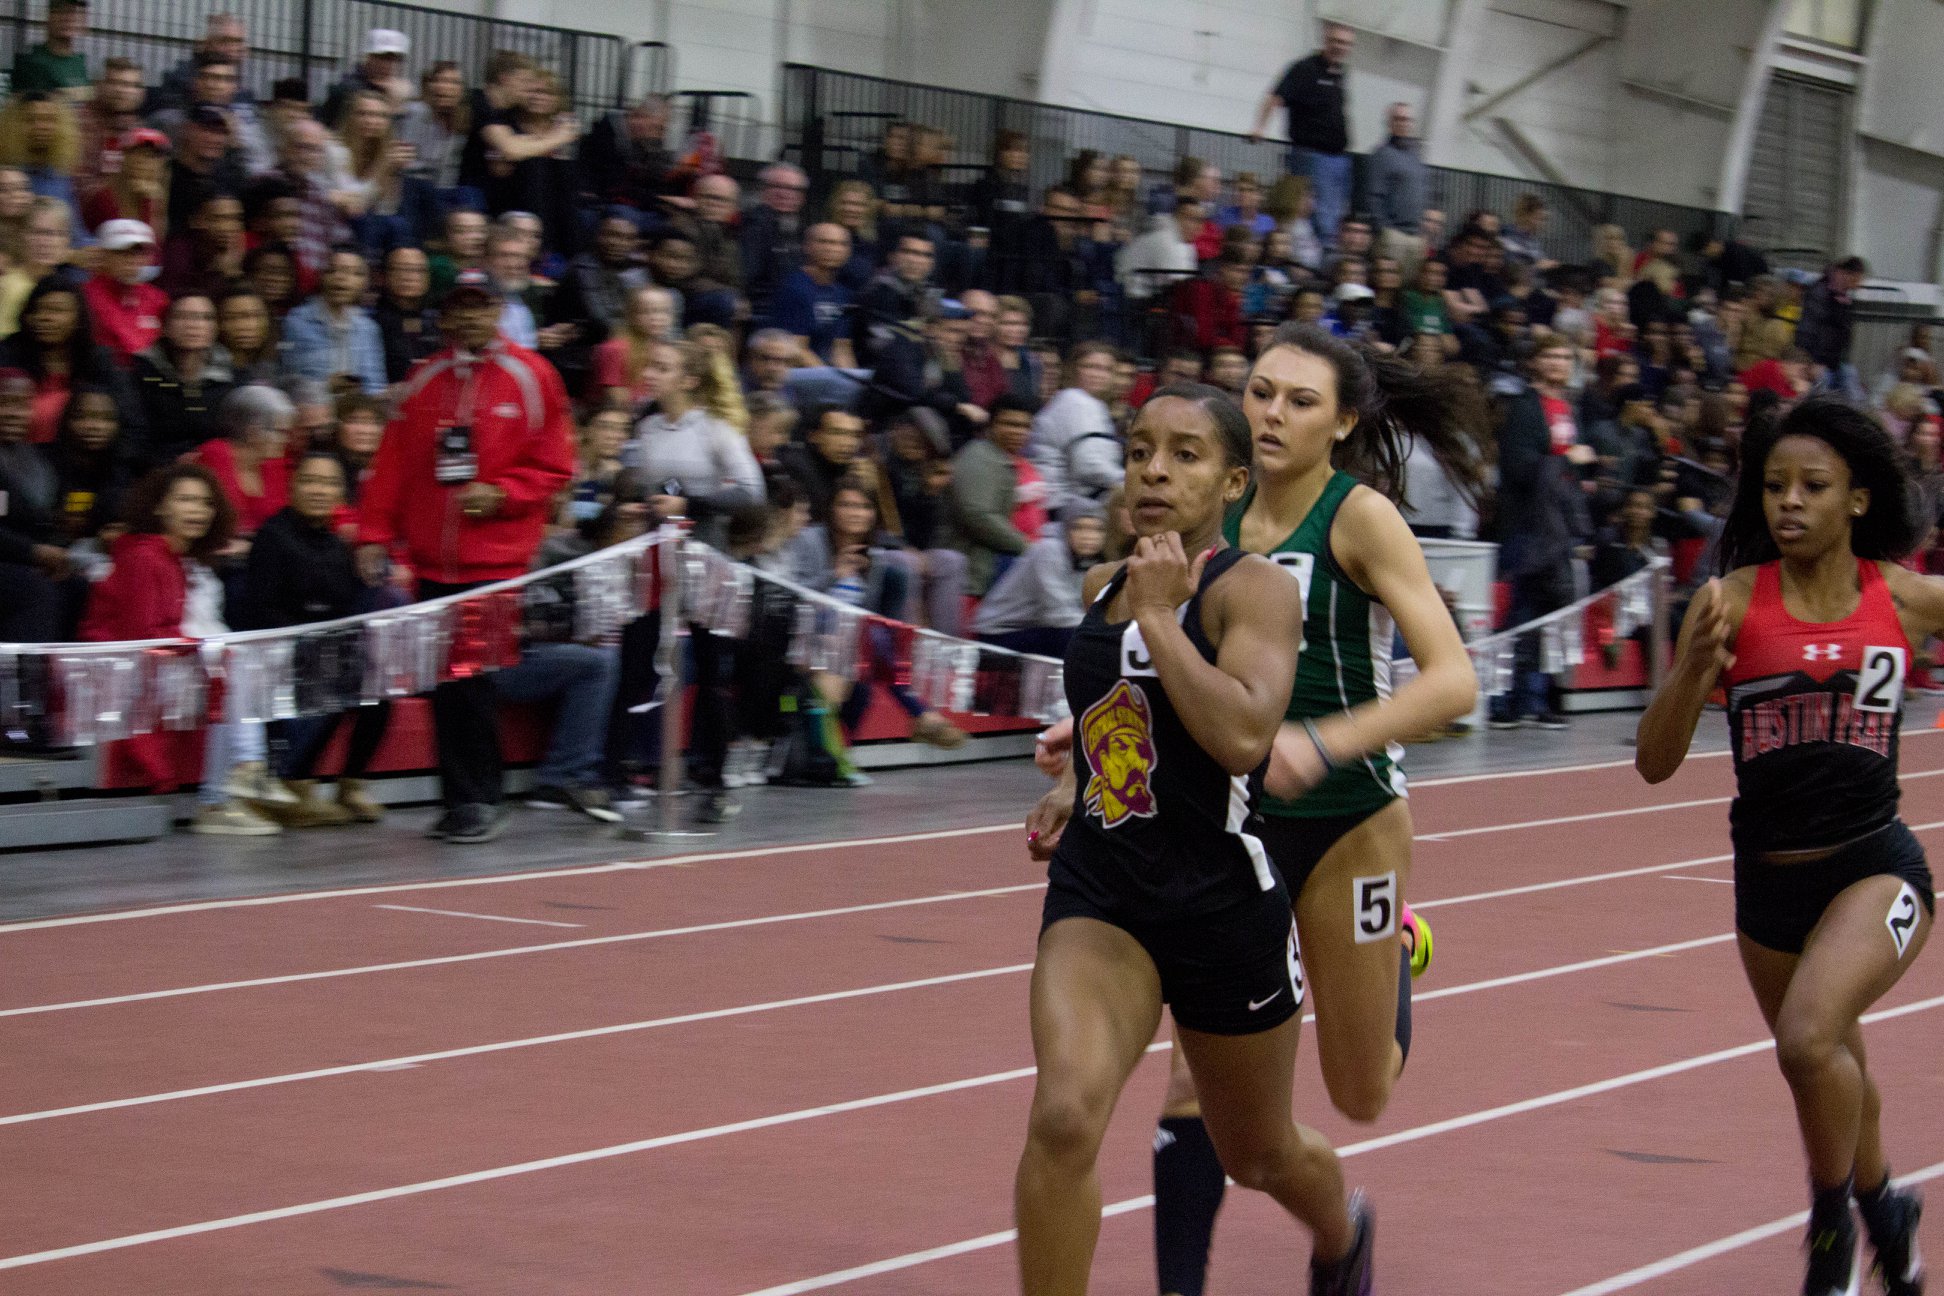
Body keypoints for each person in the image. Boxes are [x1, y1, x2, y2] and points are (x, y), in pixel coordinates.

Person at [1015, 382, 1371, 1296]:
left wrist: (1164, 616)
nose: (1155, 471)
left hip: (1222, 908)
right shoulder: (1104, 585)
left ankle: (1342, 1234)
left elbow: (1245, 737)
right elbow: (1117, 709)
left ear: (1233, 481)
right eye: (1139, 451)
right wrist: (1075, 780)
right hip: (1106, 895)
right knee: (1062, 1117)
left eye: (1184, 454)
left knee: (1258, 1154)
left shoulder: (1254, 591)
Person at [1636, 398, 1936, 1296]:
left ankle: (1829, 1230)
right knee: (1830, 1059)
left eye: (1813, 486)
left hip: (1877, 867)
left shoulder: (1905, 596)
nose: (1789, 503)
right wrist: (1694, 669)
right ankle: (1889, 1208)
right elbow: (1654, 763)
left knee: (1807, 1042)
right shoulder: (1726, 603)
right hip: (1766, 885)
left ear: (1857, 498)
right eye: (1773, 487)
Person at [355, 268, 575, 844]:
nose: (470, 317)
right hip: (431, 566)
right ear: (445, 316)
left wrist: (503, 495)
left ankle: (481, 797)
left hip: (495, 566)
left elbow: (556, 466)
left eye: (481, 306)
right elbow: (392, 469)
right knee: (446, 685)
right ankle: (461, 799)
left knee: (474, 682)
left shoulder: (534, 377)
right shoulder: (420, 381)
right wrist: (373, 534)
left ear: (499, 310)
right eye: (460, 307)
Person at [81, 463, 295, 833]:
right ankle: (235, 781)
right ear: (160, 507)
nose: (197, 510)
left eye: (205, 503)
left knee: (236, 662)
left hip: (161, 665)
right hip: (119, 671)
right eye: (185, 500)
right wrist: (208, 651)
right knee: (229, 664)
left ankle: (231, 786)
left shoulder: (185, 560)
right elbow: (144, 635)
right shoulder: (144, 556)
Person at [236, 450, 392, 827]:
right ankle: (292, 784)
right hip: (277, 655)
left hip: (324, 650)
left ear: (341, 492)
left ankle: (351, 782)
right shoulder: (272, 538)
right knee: (335, 673)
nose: (319, 490)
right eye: (310, 480)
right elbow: (260, 610)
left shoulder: (340, 547)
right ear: (292, 486)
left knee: (378, 685)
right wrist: (315, 637)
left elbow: (345, 611)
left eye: (329, 482)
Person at [1489, 334, 1594, 729]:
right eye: (1550, 355)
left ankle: (1542, 698)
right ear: (1534, 362)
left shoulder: (1569, 409)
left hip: (1559, 529)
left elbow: (1571, 470)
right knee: (1522, 613)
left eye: (1565, 355)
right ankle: (1509, 701)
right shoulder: (1523, 409)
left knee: (1555, 616)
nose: (1558, 362)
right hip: (1527, 528)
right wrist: (1568, 459)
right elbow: (1518, 467)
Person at [1256, 22, 1354, 254]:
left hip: (1337, 158)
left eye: (1346, 44)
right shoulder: (1305, 69)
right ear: (1326, 40)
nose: (1341, 47)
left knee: (1333, 214)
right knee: (1315, 215)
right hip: (1312, 154)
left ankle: (1322, 257)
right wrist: (1260, 127)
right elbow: (1275, 97)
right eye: (1337, 41)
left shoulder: (1340, 74)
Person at [971, 503, 1105, 657]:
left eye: (1097, 530)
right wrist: (1101, 631)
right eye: (1079, 528)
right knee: (1075, 638)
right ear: (1066, 529)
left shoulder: (1088, 561)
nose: (1088, 536)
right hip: (997, 633)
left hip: (1035, 628)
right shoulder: (1049, 550)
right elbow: (1058, 614)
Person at [132, 292, 235, 465]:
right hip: (154, 472)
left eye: (206, 318)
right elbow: (135, 438)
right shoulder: (142, 375)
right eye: (183, 316)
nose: (194, 325)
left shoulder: (230, 379)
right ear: (165, 326)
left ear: (216, 328)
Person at [1028, 341, 1122, 521]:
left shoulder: (1089, 403)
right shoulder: (1076, 401)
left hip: (1072, 503)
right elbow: (1087, 467)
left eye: (1106, 369)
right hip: (1060, 507)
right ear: (1074, 369)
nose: (1098, 374)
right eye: (1091, 367)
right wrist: (1130, 480)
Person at [280, 243, 386, 395]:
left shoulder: (368, 329)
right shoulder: (297, 322)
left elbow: (376, 386)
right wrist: (325, 387)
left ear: (363, 282)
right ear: (322, 276)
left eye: (351, 272)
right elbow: (286, 384)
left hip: (356, 413)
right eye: (332, 270)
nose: (341, 277)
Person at [81, 219, 168, 364]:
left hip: (150, 379)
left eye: (140, 253)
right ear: (102, 255)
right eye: (122, 252)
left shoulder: (159, 299)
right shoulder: (83, 296)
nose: (133, 260)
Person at [321, 29, 412, 130]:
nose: (389, 65)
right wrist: (394, 105)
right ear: (368, 57)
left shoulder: (398, 87)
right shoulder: (349, 88)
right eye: (383, 58)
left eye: (395, 59)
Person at [12, 0, 89, 100]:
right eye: (60, 11)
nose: (67, 18)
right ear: (47, 17)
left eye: (73, 12)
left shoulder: (79, 61)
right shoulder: (32, 62)